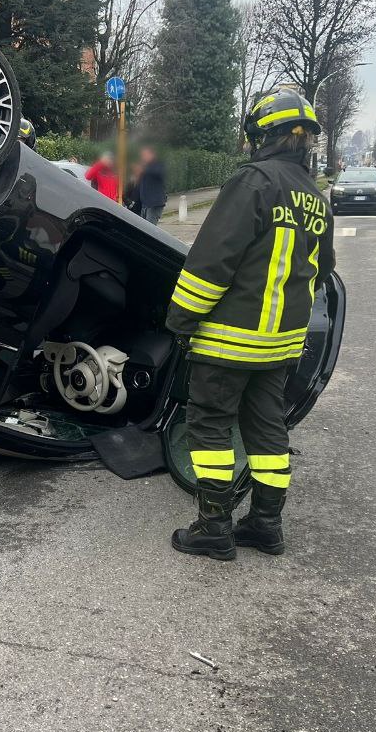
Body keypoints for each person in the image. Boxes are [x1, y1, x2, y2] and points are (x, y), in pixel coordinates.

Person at [166, 88, 335, 561]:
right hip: (280, 346)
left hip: (228, 342)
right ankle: (265, 525)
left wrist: (180, 319)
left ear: (263, 135)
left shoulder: (253, 182)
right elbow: (322, 269)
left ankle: (214, 527)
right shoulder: (315, 198)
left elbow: (211, 262)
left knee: (210, 426)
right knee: (267, 431)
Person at [136, 146, 167, 224]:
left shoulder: (158, 165)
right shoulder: (145, 166)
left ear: (152, 154)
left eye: (145, 155)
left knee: (150, 228)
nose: (143, 157)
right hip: (145, 204)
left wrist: (144, 170)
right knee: (143, 228)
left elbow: (159, 173)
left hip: (154, 203)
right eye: (142, 155)